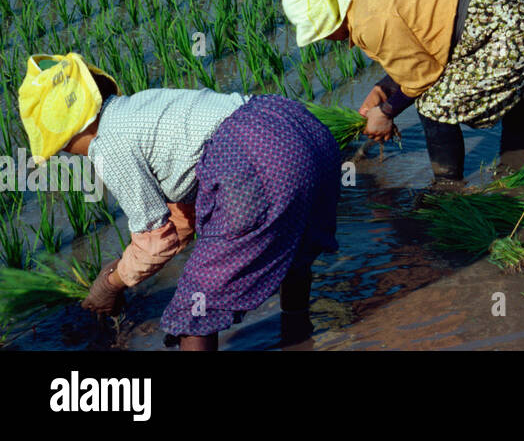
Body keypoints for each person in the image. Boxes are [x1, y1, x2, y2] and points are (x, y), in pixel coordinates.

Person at [18, 53, 339, 351]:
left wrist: (110, 283)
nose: (67, 154)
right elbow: (182, 220)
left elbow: (157, 241)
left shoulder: (107, 145)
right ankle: (298, 334)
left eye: (61, 147)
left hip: (252, 157)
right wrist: (128, 269)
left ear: (71, 131)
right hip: (299, 127)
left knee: (195, 304)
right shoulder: (140, 106)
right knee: (294, 249)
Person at [281, 0, 524, 182]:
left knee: (433, 105)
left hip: (518, 29)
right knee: (491, 77)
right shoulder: (368, 0)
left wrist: (386, 112)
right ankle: (520, 155)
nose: (321, 39)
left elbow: (423, 78)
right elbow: (425, 50)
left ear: (329, 20)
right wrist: (382, 90)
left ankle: (447, 185)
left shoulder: (370, 24)